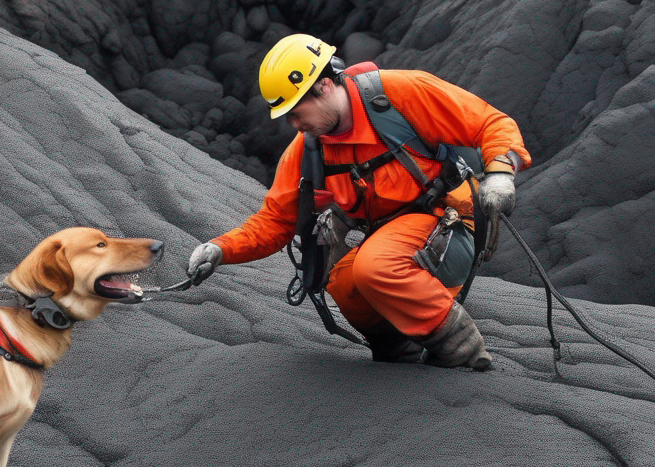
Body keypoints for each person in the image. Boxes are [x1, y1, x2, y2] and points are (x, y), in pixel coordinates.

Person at [186, 34, 531, 368]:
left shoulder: (400, 94)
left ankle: (461, 352)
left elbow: (490, 123)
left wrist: (500, 174)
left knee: (373, 267)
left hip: (449, 224)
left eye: (295, 111)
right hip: (396, 239)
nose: (293, 123)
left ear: (323, 86)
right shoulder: (309, 150)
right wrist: (220, 249)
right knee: (344, 282)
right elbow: (275, 221)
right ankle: (401, 353)